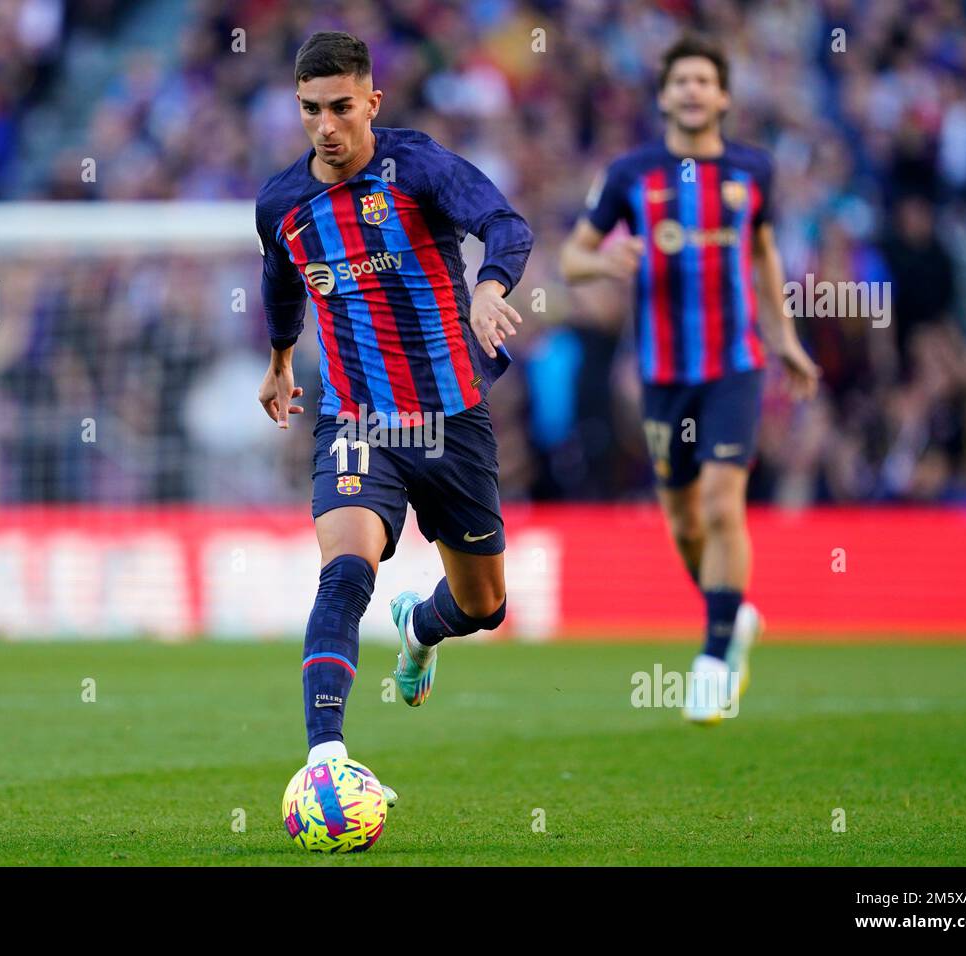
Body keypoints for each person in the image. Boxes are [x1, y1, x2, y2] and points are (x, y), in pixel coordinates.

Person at [255, 32, 533, 770]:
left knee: (484, 605)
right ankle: (326, 759)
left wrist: (490, 286)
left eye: (342, 107)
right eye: (311, 110)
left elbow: (505, 222)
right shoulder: (283, 204)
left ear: (371, 102)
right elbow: (281, 284)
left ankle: (420, 631)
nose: (326, 126)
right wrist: (281, 360)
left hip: (450, 418)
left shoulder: (418, 167)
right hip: (356, 419)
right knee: (346, 571)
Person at [559, 34, 820, 723]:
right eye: (682, 81)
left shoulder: (752, 171)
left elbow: (762, 253)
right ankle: (734, 619)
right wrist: (608, 261)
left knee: (720, 504)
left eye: (706, 80)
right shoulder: (631, 175)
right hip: (661, 373)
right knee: (682, 519)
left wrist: (784, 337)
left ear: (724, 96)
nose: (694, 91)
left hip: (734, 365)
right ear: (665, 94)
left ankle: (711, 656)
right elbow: (572, 257)